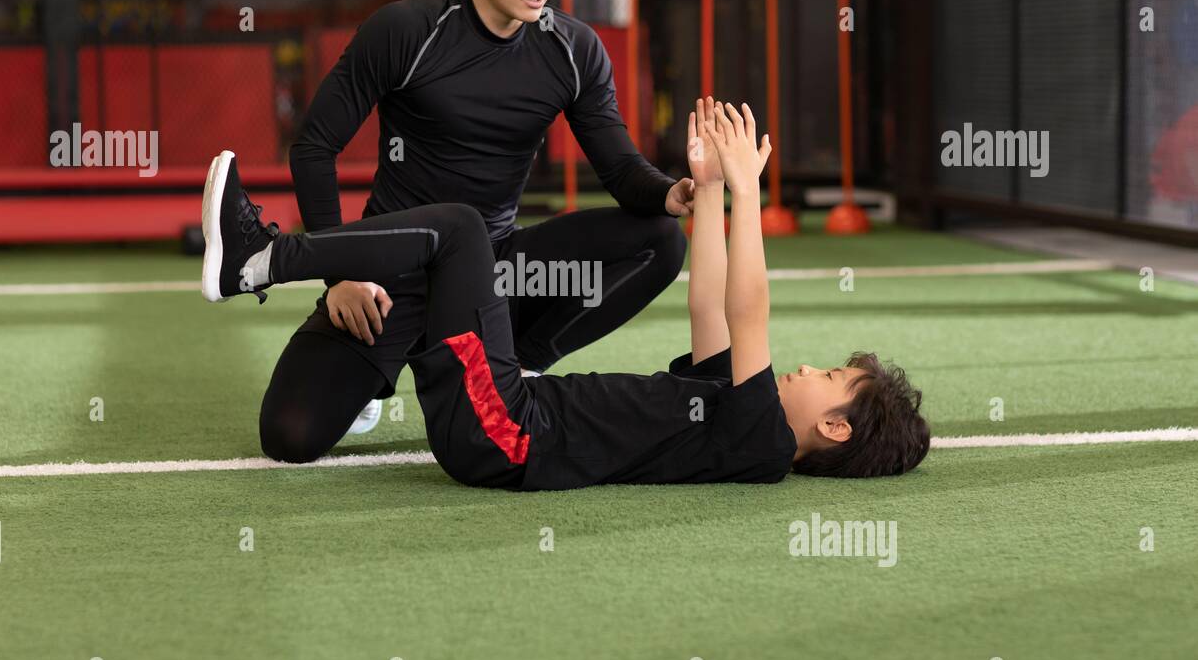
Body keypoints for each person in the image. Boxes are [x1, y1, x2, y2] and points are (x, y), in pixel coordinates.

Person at [204, 97, 931, 489]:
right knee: (458, 242)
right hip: (505, 416)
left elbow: (748, 310)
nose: (809, 370)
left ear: (834, 428)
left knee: (460, 231)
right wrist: (709, 191)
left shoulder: (762, 442)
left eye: (830, 379)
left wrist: (748, 189)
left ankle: (264, 258)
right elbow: (709, 304)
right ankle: (272, 266)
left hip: (506, 433)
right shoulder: (737, 416)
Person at [261, 0, 694, 461]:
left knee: (660, 240)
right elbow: (314, 147)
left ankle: (518, 360)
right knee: (289, 436)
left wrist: (672, 193)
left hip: (494, 276)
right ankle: (372, 378)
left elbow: (620, 169)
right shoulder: (406, 29)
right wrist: (341, 274)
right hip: (389, 280)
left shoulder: (573, 50)